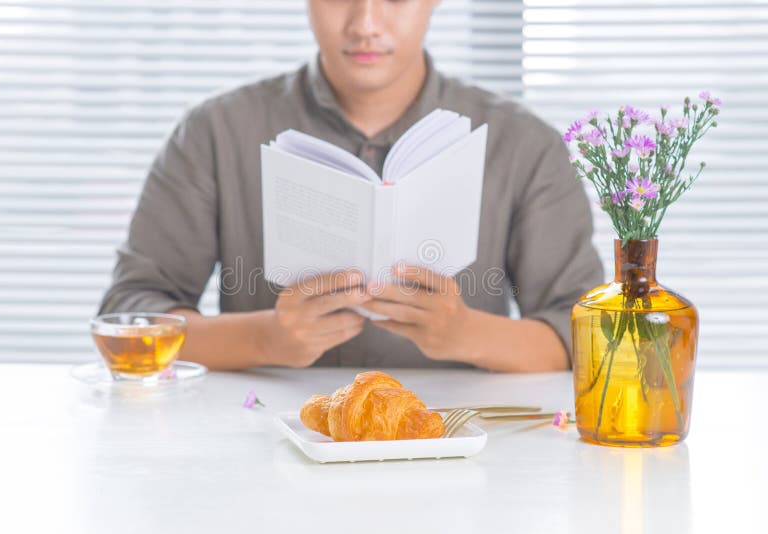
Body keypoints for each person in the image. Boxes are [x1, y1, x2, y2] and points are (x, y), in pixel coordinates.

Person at [98, 0, 603, 372]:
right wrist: (267, 339)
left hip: (456, 451)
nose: (365, 23)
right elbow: (130, 316)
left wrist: (466, 334)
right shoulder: (214, 132)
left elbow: (590, 335)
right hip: (262, 445)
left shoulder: (524, 144)